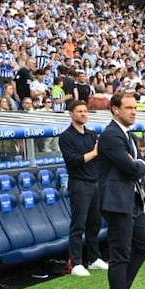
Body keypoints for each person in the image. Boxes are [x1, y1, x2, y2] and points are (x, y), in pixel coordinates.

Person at [98, 91, 145, 289]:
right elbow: (133, 168)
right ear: (115, 109)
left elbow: (137, 165)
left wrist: (140, 163)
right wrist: (141, 162)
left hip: (131, 199)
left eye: (135, 108)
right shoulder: (111, 136)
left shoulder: (127, 135)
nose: (133, 112)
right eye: (129, 108)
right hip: (116, 201)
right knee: (120, 253)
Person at [58, 100, 105, 277]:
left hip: (95, 182)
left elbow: (100, 158)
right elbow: (73, 161)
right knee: (78, 224)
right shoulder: (66, 137)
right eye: (79, 111)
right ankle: (76, 262)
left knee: (95, 223)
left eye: (85, 111)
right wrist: (93, 154)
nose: (83, 114)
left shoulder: (92, 135)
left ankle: (94, 259)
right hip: (79, 184)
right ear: (71, 113)